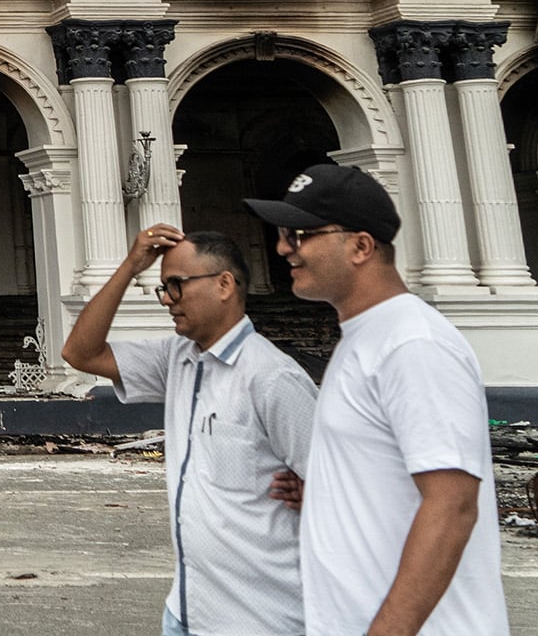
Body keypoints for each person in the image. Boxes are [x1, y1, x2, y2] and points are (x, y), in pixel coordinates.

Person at [248, 164, 507, 636]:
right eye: (284, 233)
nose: (284, 247)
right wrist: (332, 495)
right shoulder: (364, 338)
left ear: (361, 246)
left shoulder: (413, 346)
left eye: (300, 233)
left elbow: (451, 505)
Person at [63, 222, 316, 636]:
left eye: (177, 285)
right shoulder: (178, 359)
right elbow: (80, 352)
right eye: (165, 288)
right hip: (186, 609)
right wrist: (130, 266)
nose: (168, 300)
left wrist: (320, 491)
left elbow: (343, 486)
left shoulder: (272, 378)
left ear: (224, 284)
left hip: (260, 618)